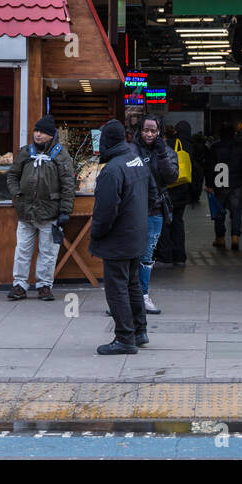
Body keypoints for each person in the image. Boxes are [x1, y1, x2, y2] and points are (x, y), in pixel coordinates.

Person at [89, 119, 150, 354]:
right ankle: (139, 331)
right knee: (133, 283)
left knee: (117, 289)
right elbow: (150, 194)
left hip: (118, 239)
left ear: (107, 141)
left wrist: (97, 233)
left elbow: (105, 212)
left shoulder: (112, 170)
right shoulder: (135, 161)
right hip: (135, 234)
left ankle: (125, 338)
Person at [3, 115, 75, 302]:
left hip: (50, 212)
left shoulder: (61, 155)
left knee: (48, 252)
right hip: (26, 212)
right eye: (36, 131)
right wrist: (17, 193)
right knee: (22, 251)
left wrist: (65, 211)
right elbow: (12, 175)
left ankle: (44, 286)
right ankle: (19, 285)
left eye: (42, 132)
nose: (38, 134)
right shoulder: (26, 152)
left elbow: (68, 184)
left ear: (51, 135)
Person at [131, 114, 178, 315]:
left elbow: (171, 177)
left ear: (159, 132)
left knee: (147, 255)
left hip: (155, 208)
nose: (149, 134)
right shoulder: (131, 150)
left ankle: (142, 294)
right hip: (132, 209)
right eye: (145, 130)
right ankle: (125, 297)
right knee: (129, 254)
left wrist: (161, 154)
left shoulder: (166, 151)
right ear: (139, 130)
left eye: (153, 130)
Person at [155, 120, 197, 267]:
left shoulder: (168, 145)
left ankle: (166, 255)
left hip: (169, 190)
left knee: (166, 222)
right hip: (183, 190)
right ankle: (180, 256)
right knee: (178, 222)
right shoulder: (190, 146)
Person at [208, 123, 242, 250]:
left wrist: (209, 184)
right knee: (236, 212)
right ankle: (235, 237)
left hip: (220, 182)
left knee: (219, 212)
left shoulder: (215, 148)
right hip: (236, 183)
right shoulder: (241, 147)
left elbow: (209, 167)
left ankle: (220, 238)